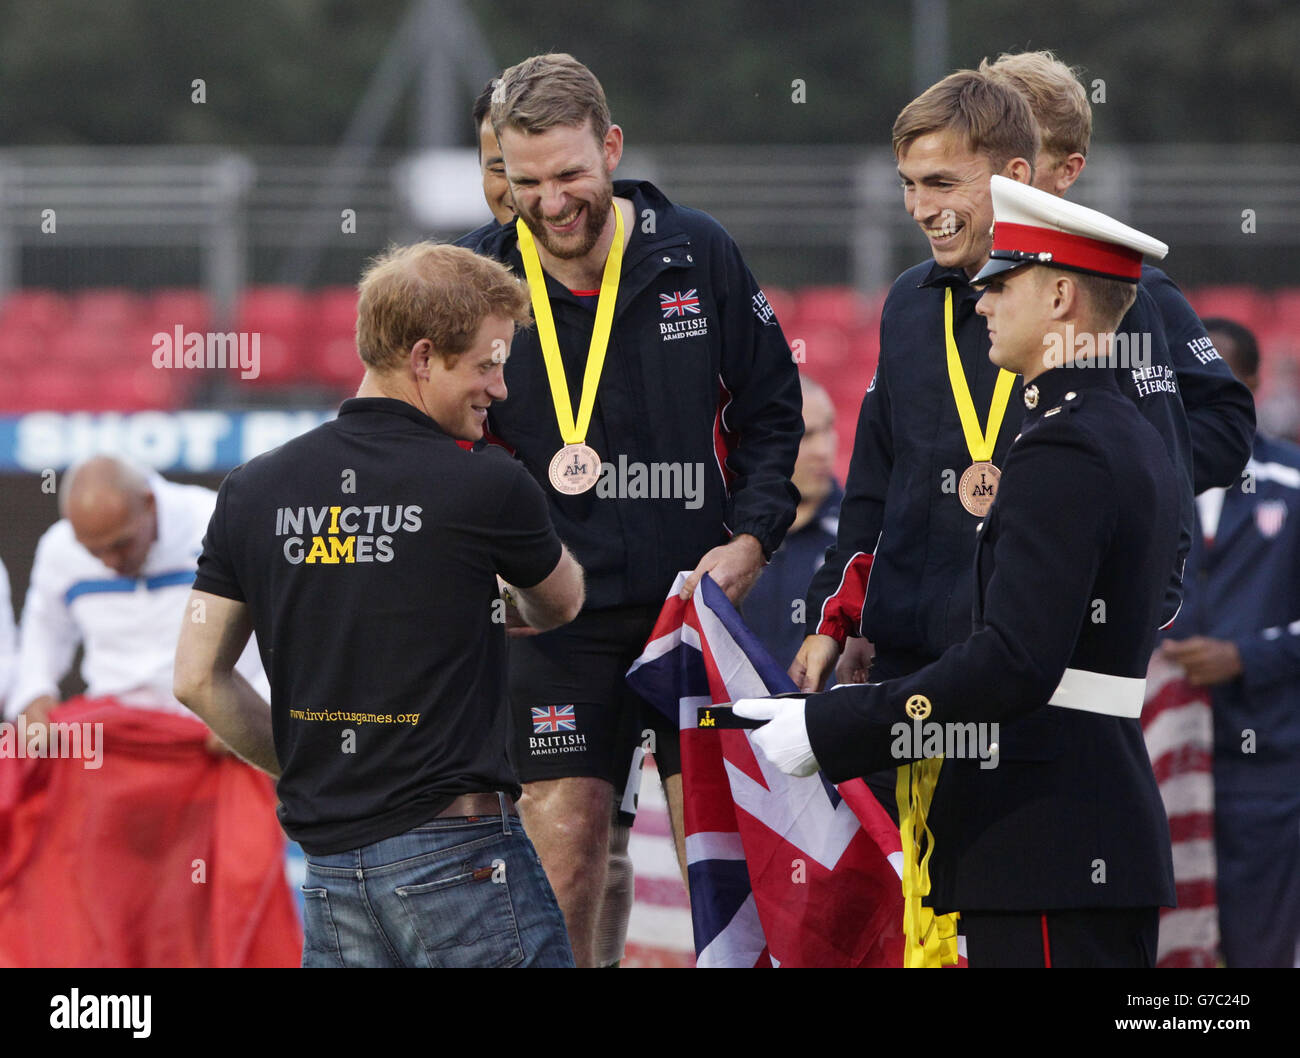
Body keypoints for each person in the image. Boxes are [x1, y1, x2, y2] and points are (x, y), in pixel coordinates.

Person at [740, 175, 1181, 968]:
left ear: (1058, 299)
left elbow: (1015, 661)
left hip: (1041, 830)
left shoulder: (1064, 445)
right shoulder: (1112, 428)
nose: (980, 304)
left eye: (1002, 286)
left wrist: (832, 725)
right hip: (1075, 825)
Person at [460, 53, 802, 966]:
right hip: (551, 621)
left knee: (720, 858)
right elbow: (441, 446)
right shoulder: (476, 280)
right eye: (525, 181)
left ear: (611, 148)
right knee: (565, 849)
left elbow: (772, 411)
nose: (552, 200)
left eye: (571, 174)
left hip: (694, 606)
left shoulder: (699, 251)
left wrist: (754, 539)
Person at [173, 242, 584, 968]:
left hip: (330, 874)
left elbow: (197, 676)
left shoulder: (251, 489)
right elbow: (561, 603)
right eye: (488, 364)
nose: (501, 389)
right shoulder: (487, 483)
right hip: (461, 860)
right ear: (424, 358)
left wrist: (316, 767)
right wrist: (507, 593)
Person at [790, 71, 1193, 794]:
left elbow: (1163, 499)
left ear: (1014, 175)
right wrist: (837, 619)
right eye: (909, 185)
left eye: (943, 183)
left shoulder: (1098, 303)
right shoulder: (908, 304)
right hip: (909, 681)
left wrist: (1098, 667)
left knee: (1004, 897)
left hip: (1029, 690)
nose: (921, 208)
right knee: (907, 903)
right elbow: (877, 487)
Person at [3, 455, 296, 968]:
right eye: (94, 552)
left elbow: (282, 633)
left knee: (216, 898)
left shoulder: (218, 524)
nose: (110, 563)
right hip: (111, 763)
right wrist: (34, 699)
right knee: (113, 901)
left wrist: (241, 713)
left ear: (149, 503)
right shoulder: (59, 549)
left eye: (119, 544)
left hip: (210, 751)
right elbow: (42, 638)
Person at [981, 49, 1255, 495]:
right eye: (985, 152)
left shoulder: (1130, 290)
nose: (999, 173)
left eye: (1022, 153)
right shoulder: (927, 292)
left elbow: (1225, 426)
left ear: (1068, 170)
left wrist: (1114, 483)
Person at [1159, 318, 1300, 968]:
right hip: (1154, 761)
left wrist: (1248, 655)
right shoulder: (1143, 476)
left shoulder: (1295, 483)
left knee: (1257, 945)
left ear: (1248, 387)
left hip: (1265, 758)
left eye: (1216, 383)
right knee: (1162, 941)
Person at [742, 375, 842, 672]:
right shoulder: (725, 539)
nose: (824, 450)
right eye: (807, 435)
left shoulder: (862, 536)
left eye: (829, 429)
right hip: (733, 716)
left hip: (821, 716)